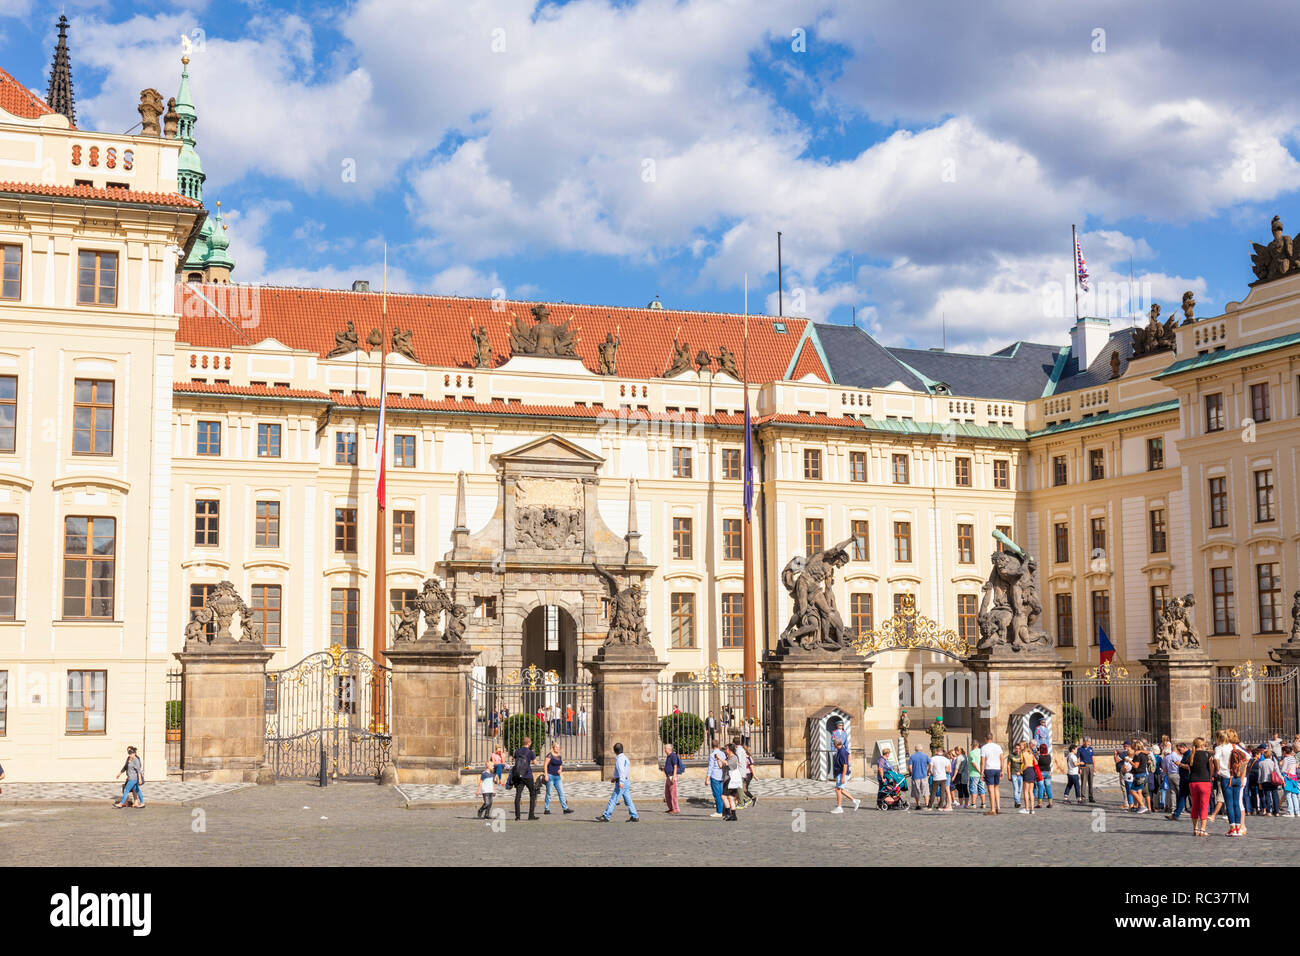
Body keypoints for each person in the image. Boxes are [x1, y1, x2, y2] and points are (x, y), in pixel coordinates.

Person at [596, 742, 639, 822]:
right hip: (625, 780)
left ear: (615, 751)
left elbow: (621, 771)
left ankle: (606, 816)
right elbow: (624, 771)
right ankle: (634, 815)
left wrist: (621, 782)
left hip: (622, 781)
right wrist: (615, 778)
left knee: (613, 799)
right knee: (628, 800)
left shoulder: (619, 760)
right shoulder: (626, 758)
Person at [1186, 737, 1217, 838]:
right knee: (1204, 806)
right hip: (1204, 782)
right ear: (1203, 745)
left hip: (1193, 782)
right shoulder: (1207, 754)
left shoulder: (1190, 755)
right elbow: (1211, 767)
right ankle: (1202, 829)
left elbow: (1189, 770)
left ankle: (1195, 829)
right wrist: (1211, 776)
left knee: (1195, 805)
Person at [511, 736, 540, 821]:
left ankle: (517, 816)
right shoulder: (530, 752)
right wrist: (529, 760)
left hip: (518, 776)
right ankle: (531, 815)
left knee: (518, 795)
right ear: (529, 743)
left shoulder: (517, 751)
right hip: (528, 775)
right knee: (533, 794)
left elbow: (514, 761)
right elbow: (536, 763)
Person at [542, 742, 574, 815]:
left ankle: (565, 808)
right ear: (553, 747)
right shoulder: (549, 755)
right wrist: (546, 775)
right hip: (550, 776)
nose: (557, 748)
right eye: (556, 747)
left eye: (558, 747)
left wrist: (560, 770)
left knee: (561, 793)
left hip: (557, 777)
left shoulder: (559, 756)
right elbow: (545, 765)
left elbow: (560, 765)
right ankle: (546, 809)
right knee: (549, 793)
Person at [832, 734, 859, 813]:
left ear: (837, 744)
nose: (833, 745)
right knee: (842, 790)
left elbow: (845, 765)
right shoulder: (841, 750)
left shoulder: (842, 752)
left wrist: (843, 777)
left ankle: (839, 807)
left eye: (834, 744)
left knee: (838, 789)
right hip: (840, 773)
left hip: (842, 773)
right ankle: (855, 801)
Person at [980, 735, 1004, 815]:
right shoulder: (998, 746)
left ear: (985, 738)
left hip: (989, 768)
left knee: (991, 790)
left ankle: (993, 809)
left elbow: (983, 761)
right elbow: (1002, 758)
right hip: (997, 768)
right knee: (996, 788)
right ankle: (998, 807)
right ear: (992, 738)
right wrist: (1002, 770)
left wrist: (982, 772)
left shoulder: (984, 748)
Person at [1165, 743, 1189, 820]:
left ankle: (1177, 813)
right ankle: (1176, 814)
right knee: (1181, 796)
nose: (1179, 751)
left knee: (1183, 796)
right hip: (1182, 778)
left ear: (1184, 747)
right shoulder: (1185, 755)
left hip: (1187, 778)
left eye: (1180, 749)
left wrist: (1180, 764)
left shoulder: (1189, 755)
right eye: (1178, 750)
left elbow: (1189, 767)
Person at [1257, 747, 1281, 817]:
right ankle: (1276, 811)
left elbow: (1260, 774)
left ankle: (1268, 811)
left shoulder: (1261, 763)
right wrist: (1282, 780)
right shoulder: (1273, 763)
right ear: (1271, 756)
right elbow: (1278, 772)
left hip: (1265, 781)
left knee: (1267, 796)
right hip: (1273, 780)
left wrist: (1259, 783)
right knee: (1275, 795)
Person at [707, 739, 727, 817]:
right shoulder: (722, 753)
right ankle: (723, 810)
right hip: (722, 775)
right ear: (718, 745)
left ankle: (719, 811)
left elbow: (710, 767)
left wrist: (707, 777)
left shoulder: (712, 755)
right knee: (722, 793)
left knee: (717, 794)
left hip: (715, 775)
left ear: (712, 746)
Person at [722, 743, 743, 820]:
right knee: (731, 798)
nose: (725, 750)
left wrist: (721, 759)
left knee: (723, 796)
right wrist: (718, 759)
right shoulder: (728, 757)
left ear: (730, 750)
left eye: (726, 749)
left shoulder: (733, 757)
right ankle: (734, 815)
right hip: (728, 779)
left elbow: (727, 764)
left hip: (730, 780)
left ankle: (728, 813)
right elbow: (721, 766)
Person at [1128, 742, 1150, 814]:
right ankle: (1139, 807)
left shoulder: (1137, 755)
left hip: (1139, 775)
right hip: (1143, 773)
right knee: (1139, 791)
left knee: (1132, 791)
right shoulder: (1145, 754)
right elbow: (1148, 761)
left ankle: (1142, 806)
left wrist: (1129, 761)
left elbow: (1136, 766)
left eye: (1133, 746)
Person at [662, 742, 683, 814]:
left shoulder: (673, 756)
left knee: (673, 793)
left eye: (665, 748)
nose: (664, 750)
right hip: (668, 776)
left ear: (669, 749)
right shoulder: (668, 756)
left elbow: (675, 766)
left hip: (672, 776)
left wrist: (674, 776)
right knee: (667, 793)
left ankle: (675, 808)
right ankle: (671, 808)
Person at [908, 745, 931, 810]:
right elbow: (931, 764)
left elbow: (910, 767)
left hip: (915, 776)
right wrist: (929, 771)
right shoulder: (925, 756)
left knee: (916, 791)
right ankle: (926, 804)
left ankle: (918, 804)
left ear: (915, 750)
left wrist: (911, 773)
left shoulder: (912, 757)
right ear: (922, 749)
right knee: (926, 790)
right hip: (924, 776)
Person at [1281, 745, 1299, 817]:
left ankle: (1290, 812)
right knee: (1294, 795)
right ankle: (1297, 812)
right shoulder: (1293, 758)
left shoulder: (1286, 759)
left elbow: (1283, 770)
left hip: (1287, 778)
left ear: (1284, 752)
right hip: (1294, 777)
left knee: (1288, 795)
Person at [1009, 741, 1028, 811]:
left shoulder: (1022, 755)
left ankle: (1017, 802)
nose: (1018, 750)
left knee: (1020, 789)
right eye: (1016, 748)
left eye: (1019, 748)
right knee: (1016, 788)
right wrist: (1009, 775)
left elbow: (1025, 763)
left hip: (1020, 774)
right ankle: (1017, 801)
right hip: (1014, 774)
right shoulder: (1011, 755)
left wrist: (1020, 771)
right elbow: (1008, 765)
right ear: (1014, 748)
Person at [967, 744, 986, 810]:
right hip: (982, 774)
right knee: (982, 788)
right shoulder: (981, 752)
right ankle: (983, 803)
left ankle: (973, 804)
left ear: (972, 745)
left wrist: (979, 771)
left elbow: (973, 763)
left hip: (974, 774)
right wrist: (982, 772)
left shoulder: (972, 753)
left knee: (973, 788)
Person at [1077, 737, 1096, 803]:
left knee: (1091, 782)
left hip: (1091, 766)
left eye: (1089, 742)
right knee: (1084, 782)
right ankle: (1083, 797)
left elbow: (1093, 758)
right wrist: (1079, 768)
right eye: (1087, 742)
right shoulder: (1080, 749)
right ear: (1084, 742)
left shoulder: (1091, 749)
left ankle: (1091, 797)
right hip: (1084, 766)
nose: (1088, 743)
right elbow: (1078, 759)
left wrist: (1094, 768)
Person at [1036, 743, 1054, 808]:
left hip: (1040, 773)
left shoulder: (1039, 756)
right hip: (1048, 773)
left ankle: (1040, 804)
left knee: (1040, 788)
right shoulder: (1049, 756)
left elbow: (1035, 759)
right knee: (1048, 788)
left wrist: (1037, 751)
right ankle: (1050, 803)